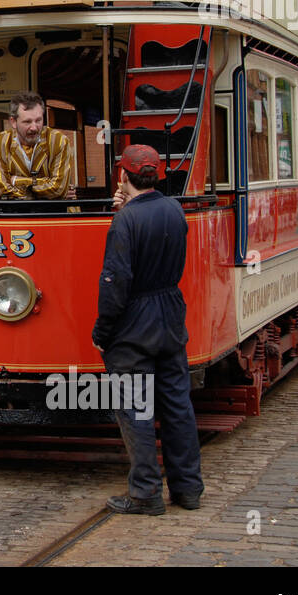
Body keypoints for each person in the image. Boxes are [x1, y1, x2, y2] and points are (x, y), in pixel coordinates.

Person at [92, 144, 204, 515]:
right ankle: (188, 489)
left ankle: (145, 493)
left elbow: (115, 281)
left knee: (135, 409)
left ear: (123, 175)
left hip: (134, 322)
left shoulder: (125, 221)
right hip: (170, 313)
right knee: (177, 406)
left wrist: (102, 331)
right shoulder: (174, 209)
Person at [0, 90, 76, 200]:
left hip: (57, 210)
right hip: (17, 210)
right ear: (13, 122)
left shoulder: (59, 141)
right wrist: (45, 183)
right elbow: (1, 189)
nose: (34, 127)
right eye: (27, 122)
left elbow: (58, 189)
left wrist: (15, 181)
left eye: (38, 120)